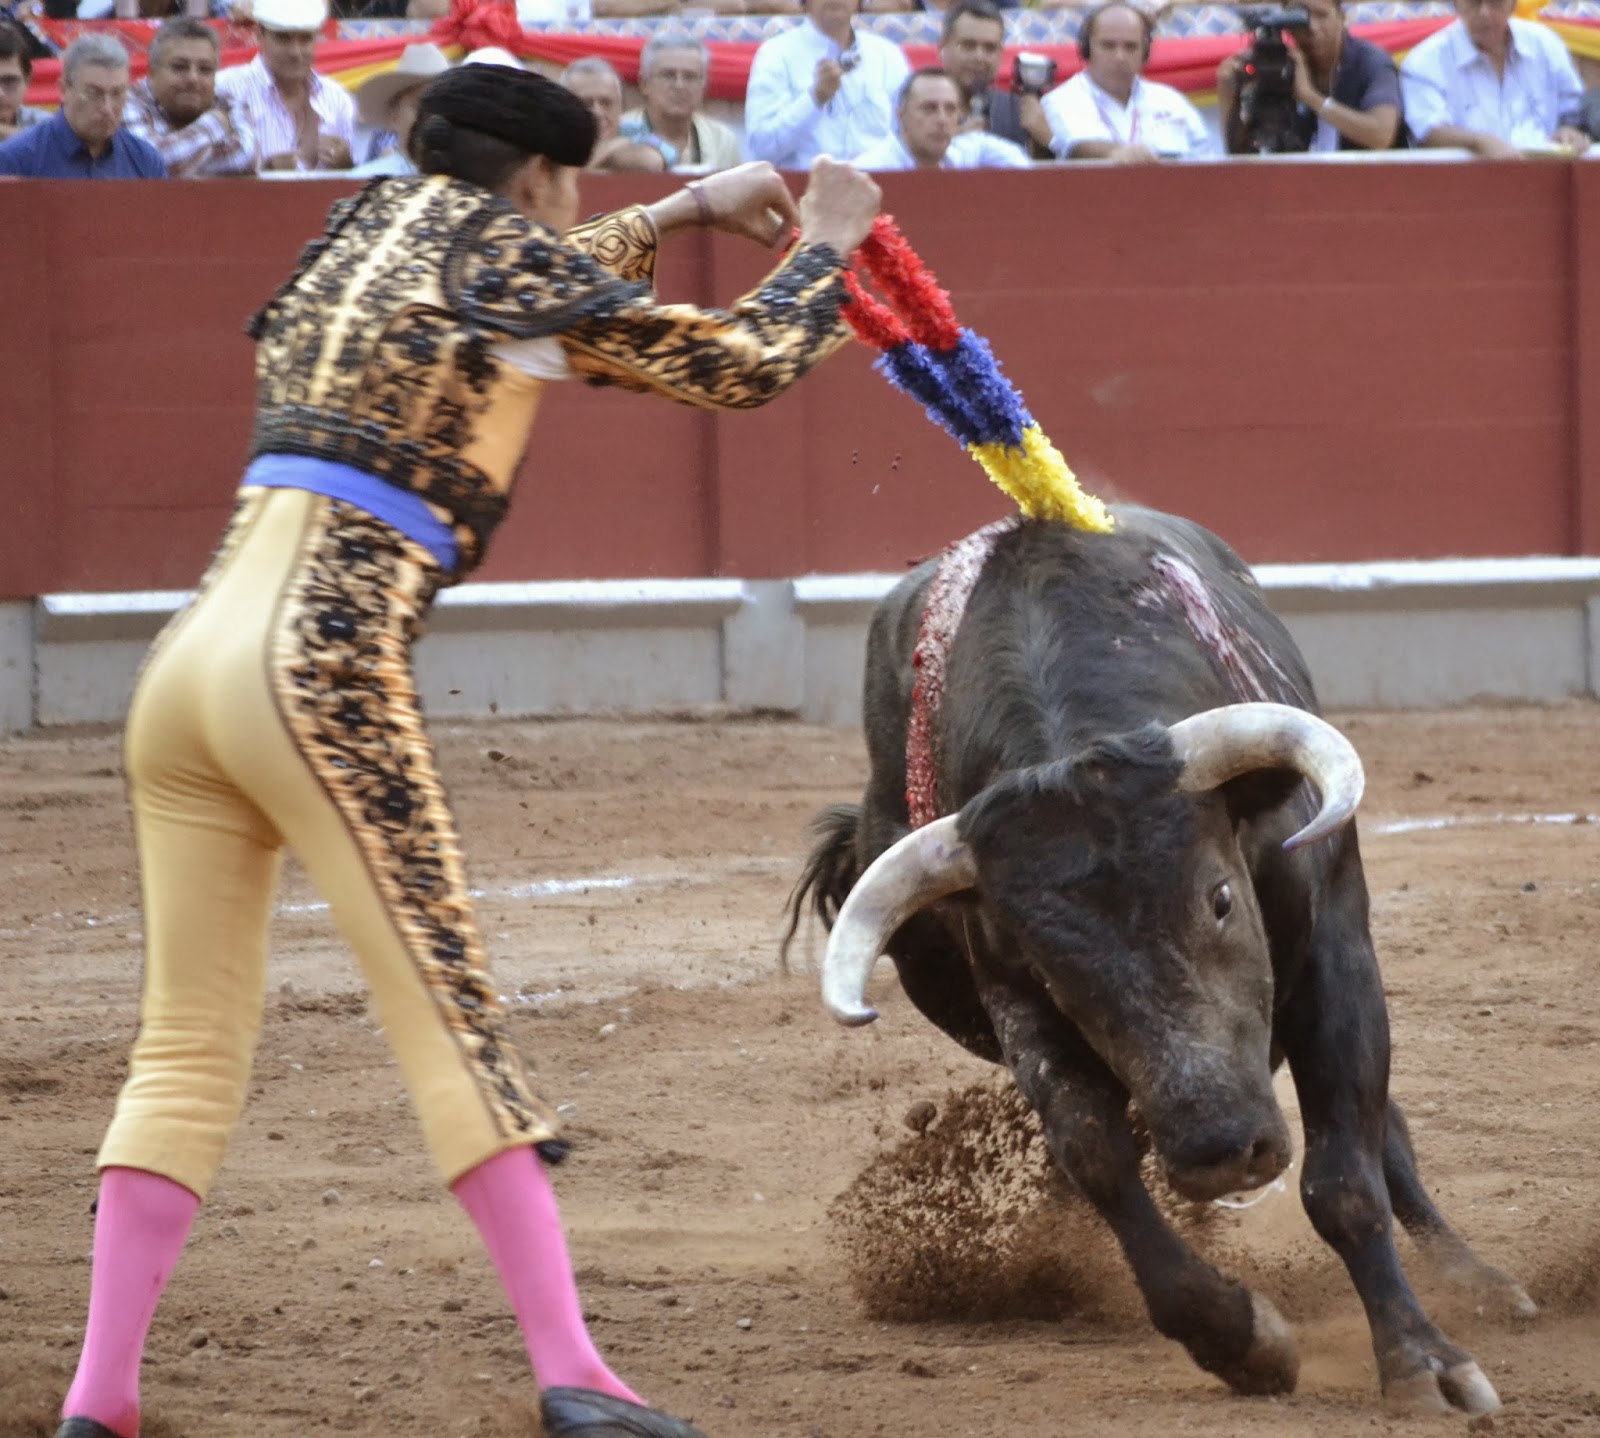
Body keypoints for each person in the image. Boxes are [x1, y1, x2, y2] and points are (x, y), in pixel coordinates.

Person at [48, 61, 880, 1438]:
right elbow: (739, 366)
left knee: (185, 1047)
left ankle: (101, 1397)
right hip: (319, 673)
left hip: (183, 673)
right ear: (545, 179)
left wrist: (679, 206)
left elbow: (523, 287)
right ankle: (573, 1371)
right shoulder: (519, 266)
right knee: (450, 1021)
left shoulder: (359, 235)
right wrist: (831, 248)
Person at [1400, 0, 1588, 157]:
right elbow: (1426, 129)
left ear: (1513, 5)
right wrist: (1478, 142)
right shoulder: (1425, 60)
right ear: (1457, 4)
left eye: (1495, 2)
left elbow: (1573, 109)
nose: (1484, 13)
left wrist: (1570, 131)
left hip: (1545, 178)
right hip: (1463, 185)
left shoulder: (1545, 44)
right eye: (1473, 3)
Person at [1217, 0, 1403, 153]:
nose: (1312, 27)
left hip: (1365, 185)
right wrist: (1228, 97)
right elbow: (1240, 156)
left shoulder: (1370, 62)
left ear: (1342, 17)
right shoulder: (1278, 66)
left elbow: (1382, 135)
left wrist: (1311, 98)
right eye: (1301, 18)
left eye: (1322, 16)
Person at [744, 0, 909, 169]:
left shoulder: (888, 54)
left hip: (882, 182)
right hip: (803, 187)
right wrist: (815, 98)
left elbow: (908, 137)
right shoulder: (775, 54)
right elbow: (762, 148)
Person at [1041, 1, 1212, 163]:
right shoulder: (1062, 98)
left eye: (1130, 47)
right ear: (1086, 49)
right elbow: (1076, 146)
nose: (1120, 57)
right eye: (1108, 46)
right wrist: (1117, 153)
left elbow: (1207, 162)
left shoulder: (1171, 100)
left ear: (1145, 53)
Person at [216, 0, 356, 171]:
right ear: (259, 34)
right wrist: (262, 171)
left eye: (305, 39)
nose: (295, 52)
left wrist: (347, 165)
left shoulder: (337, 98)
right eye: (283, 38)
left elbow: (355, 185)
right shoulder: (226, 88)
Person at [0, 32, 165, 175]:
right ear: (64, 90)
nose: (107, 108)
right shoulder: (17, 158)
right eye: (93, 93)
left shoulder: (145, 161)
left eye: (117, 94)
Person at [123, 16, 258, 176]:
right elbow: (150, 164)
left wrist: (178, 164)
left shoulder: (227, 103)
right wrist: (213, 124)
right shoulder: (127, 102)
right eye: (180, 67)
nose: (193, 78)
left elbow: (247, 158)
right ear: (152, 72)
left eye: (205, 69)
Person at [937, 0, 1054, 159]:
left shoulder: (1018, 110)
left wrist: (1045, 138)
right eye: (968, 46)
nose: (979, 57)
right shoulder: (919, 107)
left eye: (990, 48)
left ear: (1000, 54)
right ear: (942, 48)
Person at [854, 66, 1032, 167]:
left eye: (950, 109)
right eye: (929, 108)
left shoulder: (958, 154)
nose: (942, 119)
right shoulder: (870, 170)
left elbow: (1021, 166)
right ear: (901, 116)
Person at [620, 31, 743, 173]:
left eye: (690, 77)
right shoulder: (620, 133)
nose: (679, 86)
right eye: (668, 75)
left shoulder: (722, 140)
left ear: (703, 86)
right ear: (645, 83)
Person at [348, 39, 449, 175]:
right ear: (393, 115)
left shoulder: (471, 179)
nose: (430, 116)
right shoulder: (365, 180)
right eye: (419, 106)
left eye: (441, 105)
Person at [561, 55, 670, 171]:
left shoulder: (637, 130)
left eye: (606, 103)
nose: (597, 112)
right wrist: (612, 147)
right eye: (586, 104)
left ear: (621, 108)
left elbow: (654, 160)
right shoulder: (554, 135)